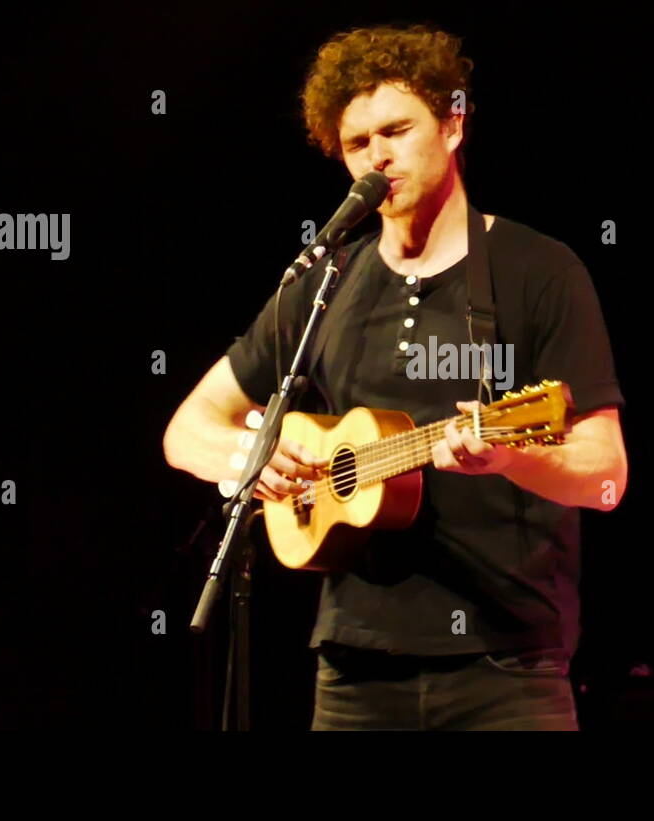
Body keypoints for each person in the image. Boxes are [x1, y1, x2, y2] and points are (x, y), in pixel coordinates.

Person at [162, 23, 627, 730]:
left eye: (397, 129)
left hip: (506, 668)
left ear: (453, 124)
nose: (377, 155)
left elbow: (606, 474)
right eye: (357, 143)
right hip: (352, 666)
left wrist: (507, 453)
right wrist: (251, 459)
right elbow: (186, 427)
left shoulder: (540, 271)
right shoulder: (326, 284)